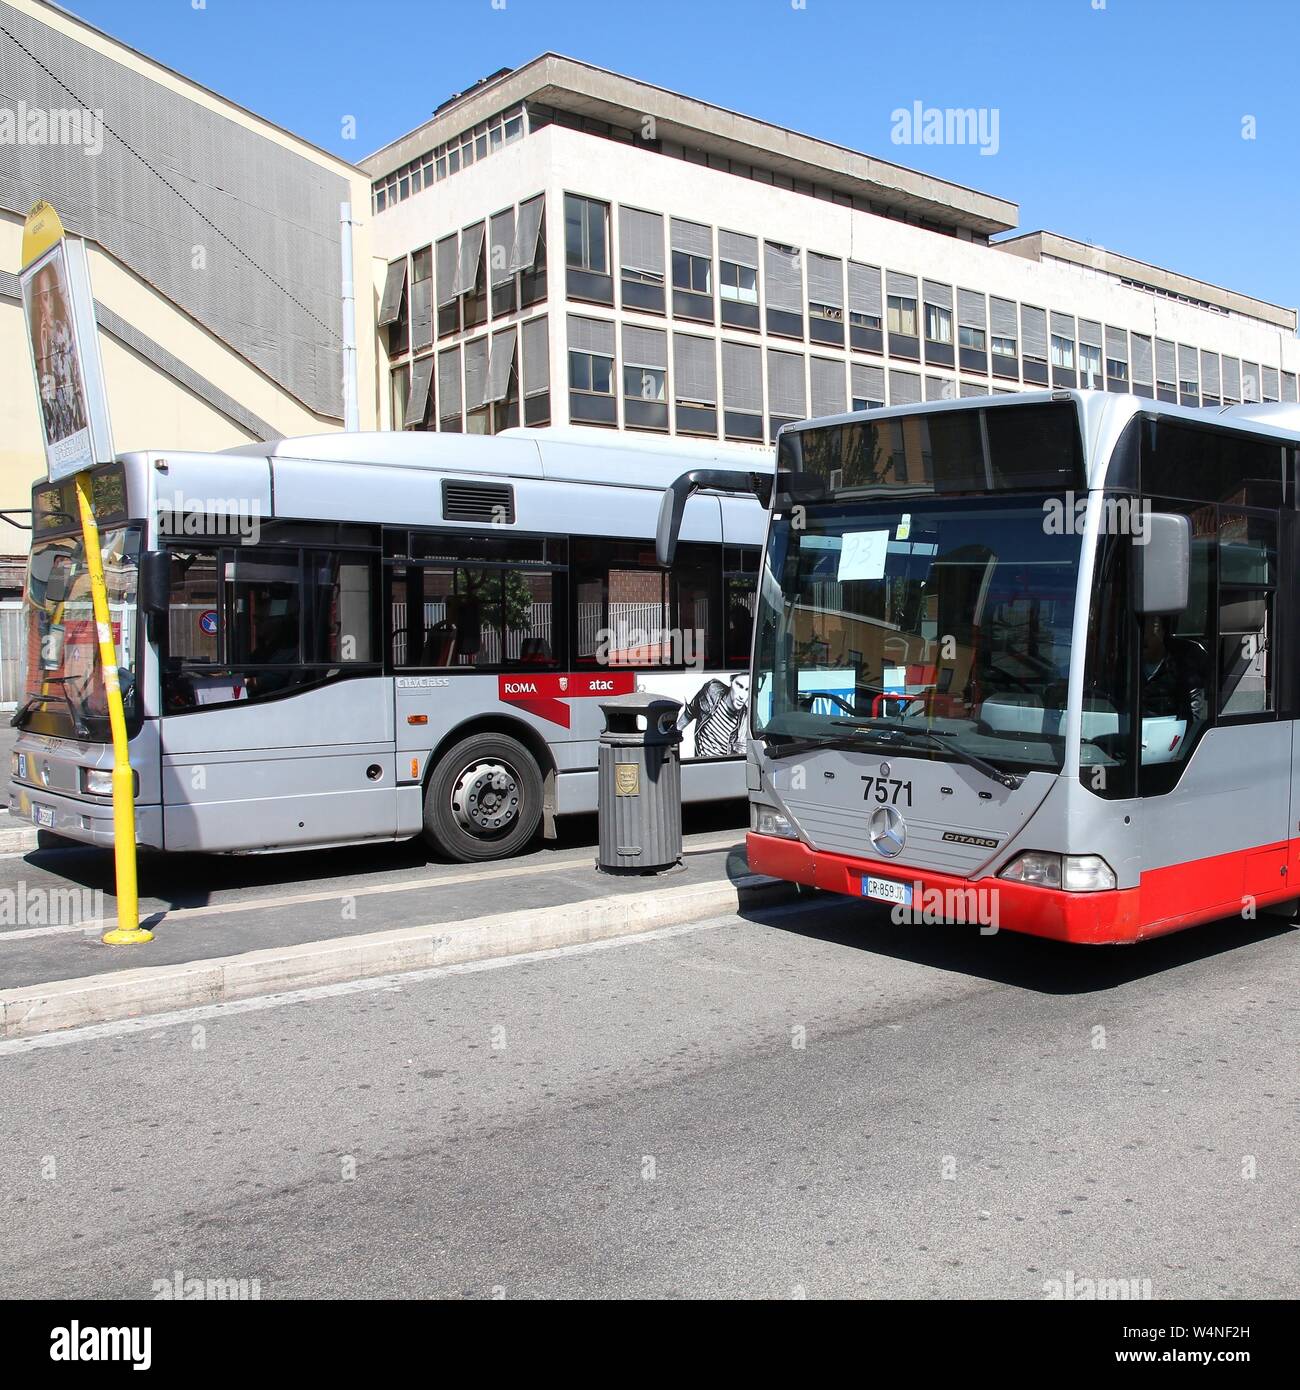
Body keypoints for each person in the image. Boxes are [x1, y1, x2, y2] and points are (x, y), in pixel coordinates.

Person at [1140, 613, 1207, 723]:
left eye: (1153, 627)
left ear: (1162, 633)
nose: (1146, 635)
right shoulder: (1126, 666)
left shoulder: (1181, 665)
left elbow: (1194, 708)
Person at [677, 673, 750, 757]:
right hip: (700, 761)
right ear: (731, 681)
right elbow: (690, 712)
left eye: (747, 690)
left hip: (725, 766)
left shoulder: (747, 721)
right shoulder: (712, 690)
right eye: (739, 686)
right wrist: (673, 735)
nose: (742, 696)